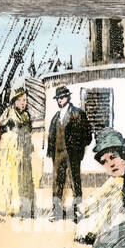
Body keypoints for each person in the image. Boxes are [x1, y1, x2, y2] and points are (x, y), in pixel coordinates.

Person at [47, 84, 93, 223]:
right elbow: (51, 136)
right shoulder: (56, 117)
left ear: (68, 97)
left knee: (75, 181)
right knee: (57, 182)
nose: (60, 100)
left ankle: (77, 211)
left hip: (72, 155)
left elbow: (87, 135)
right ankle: (56, 210)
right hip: (58, 154)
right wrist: (52, 153)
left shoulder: (77, 113)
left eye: (62, 97)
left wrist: (79, 150)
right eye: (58, 98)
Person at [0, 87, 36, 218]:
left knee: (23, 176)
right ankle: (10, 206)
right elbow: (0, 122)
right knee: (11, 174)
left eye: (24, 100)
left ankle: (24, 206)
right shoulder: (9, 112)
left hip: (23, 145)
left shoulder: (26, 115)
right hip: (10, 145)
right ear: (14, 101)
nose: (23, 103)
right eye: (20, 100)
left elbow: (29, 129)